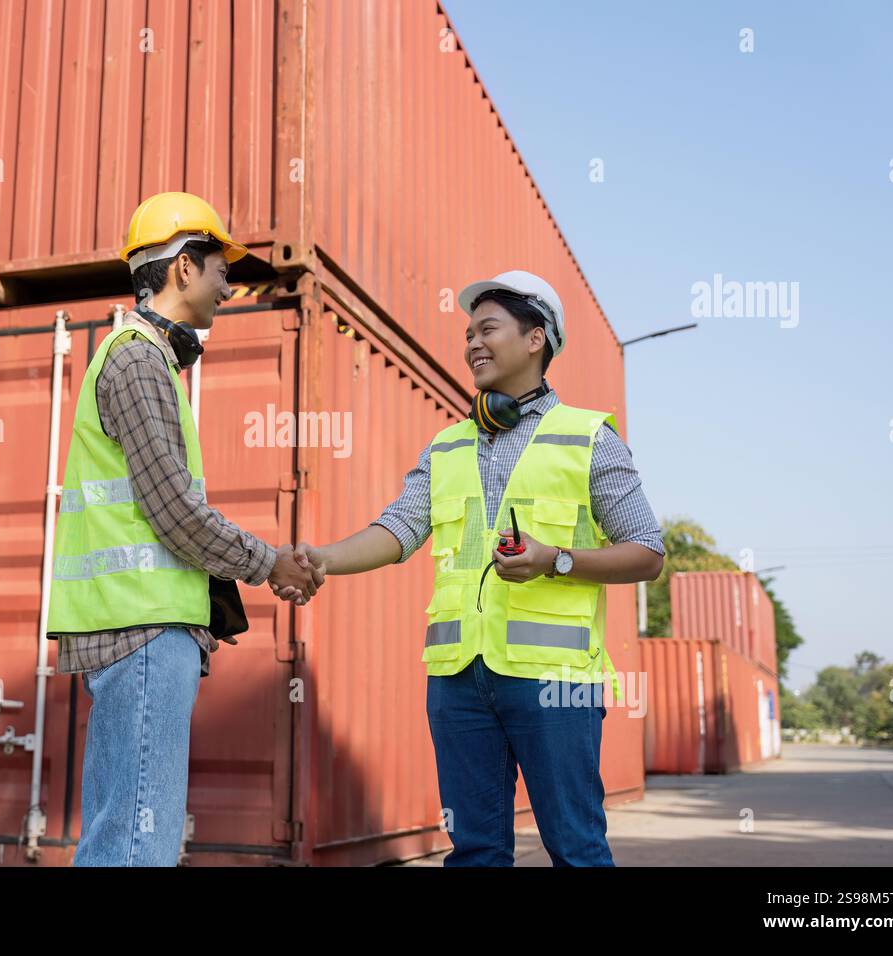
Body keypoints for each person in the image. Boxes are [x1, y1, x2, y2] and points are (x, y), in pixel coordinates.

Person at [275, 270, 664, 866]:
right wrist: (323, 558)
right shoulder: (448, 445)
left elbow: (647, 551)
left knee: (576, 848)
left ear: (537, 338)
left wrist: (554, 561)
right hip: (459, 678)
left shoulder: (588, 438)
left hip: (553, 680)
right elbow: (398, 529)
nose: (472, 345)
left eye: (488, 329)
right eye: (468, 334)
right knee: (475, 851)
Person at [47, 191, 322, 866]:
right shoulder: (138, 359)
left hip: (136, 630)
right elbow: (174, 513)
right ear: (182, 269)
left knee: (120, 836)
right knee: (139, 845)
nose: (229, 284)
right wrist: (270, 563)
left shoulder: (145, 359)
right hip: (141, 633)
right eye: (219, 266)